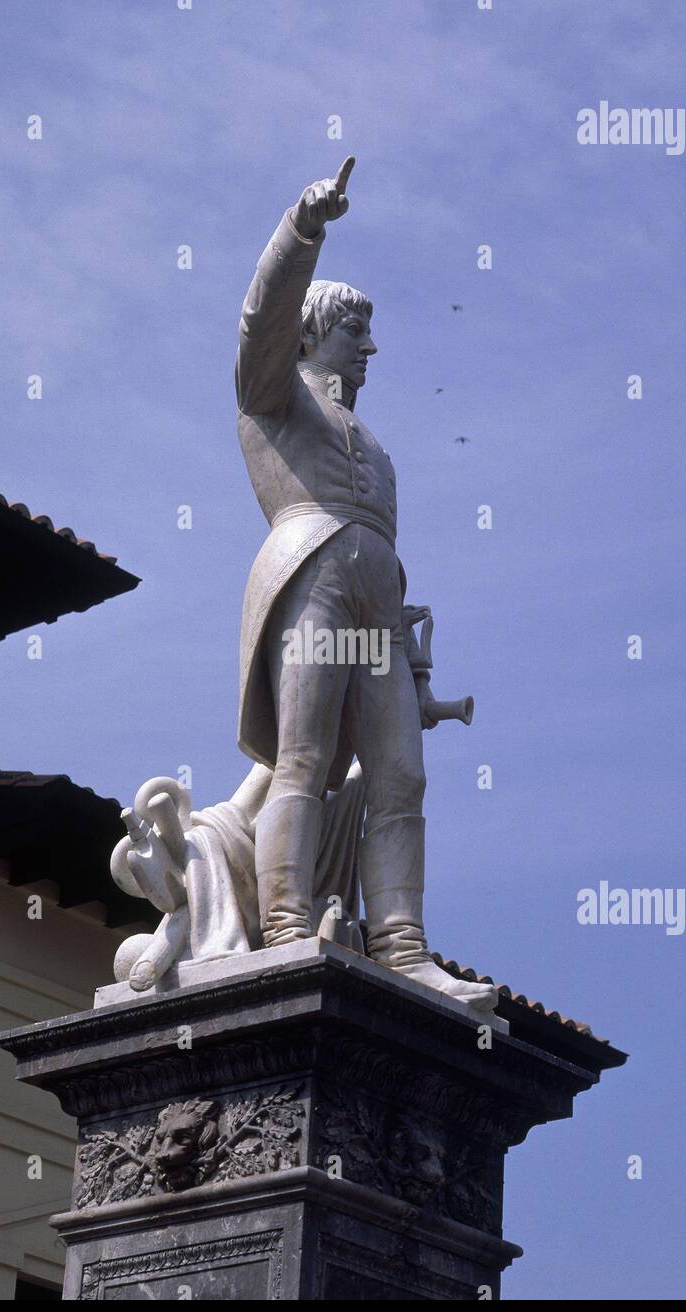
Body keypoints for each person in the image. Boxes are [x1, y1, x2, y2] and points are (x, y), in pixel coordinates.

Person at [235, 157, 496, 1010]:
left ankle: (402, 943)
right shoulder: (273, 395)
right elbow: (260, 321)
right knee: (303, 759)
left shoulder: (373, 443)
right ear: (312, 336)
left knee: (400, 776)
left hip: (377, 610)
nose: (372, 348)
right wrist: (303, 228)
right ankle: (280, 928)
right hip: (310, 579)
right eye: (356, 333)